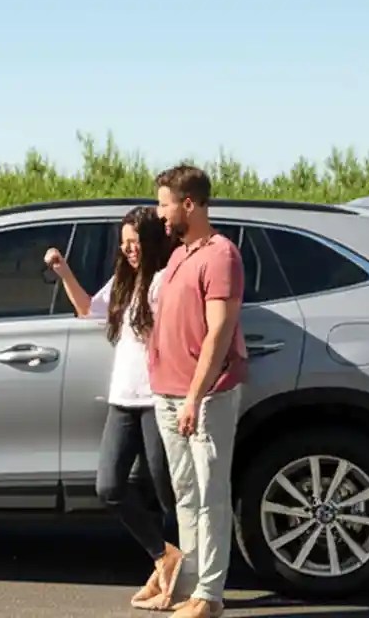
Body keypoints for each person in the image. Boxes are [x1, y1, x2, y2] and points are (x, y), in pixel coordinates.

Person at [43, 206, 184, 610]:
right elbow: (89, 310)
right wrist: (64, 271)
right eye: (124, 245)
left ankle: (178, 577)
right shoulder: (125, 281)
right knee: (109, 486)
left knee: (167, 493)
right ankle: (164, 557)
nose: (129, 251)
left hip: (158, 400)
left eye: (135, 243)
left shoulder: (164, 281)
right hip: (122, 400)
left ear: (152, 242)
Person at [148, 165, 248, 618]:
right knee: (186, 493)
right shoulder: (178, 256)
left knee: (210, 495)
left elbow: (219, 332)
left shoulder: (221, 255)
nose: (159, 213)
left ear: (190, 204)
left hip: (204, 395)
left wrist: (194, 396)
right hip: (168, 393)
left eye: (164, 203)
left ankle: (210, 595)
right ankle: (186, 586)